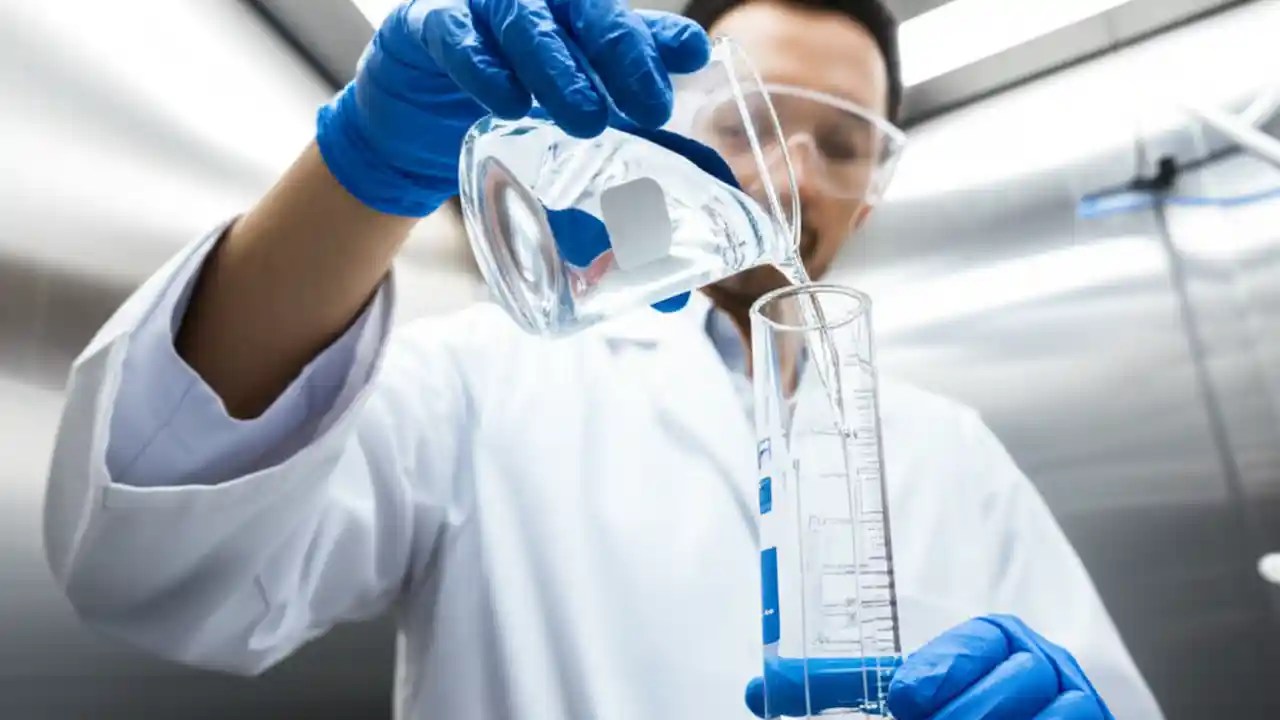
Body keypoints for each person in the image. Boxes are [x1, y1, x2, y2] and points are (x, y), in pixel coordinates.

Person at [41, 0, 1164, 717]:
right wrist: (363, 175)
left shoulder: (947, 449)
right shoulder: (493, 374)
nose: (791, 178)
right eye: (753, 122)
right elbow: (156, 562)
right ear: (658, 124)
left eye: (842, 145)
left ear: (874, 185)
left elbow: (1097, 698)